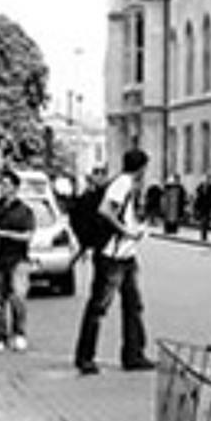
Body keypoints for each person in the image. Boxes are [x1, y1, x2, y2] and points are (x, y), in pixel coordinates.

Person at [73, 148, 155, 375]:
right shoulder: (122, 183)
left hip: (126, 255)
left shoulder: (127, 184)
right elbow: (105, 210)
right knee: (99, 307)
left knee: (133, 305)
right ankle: (85, 357)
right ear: (141, 168)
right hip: (112, 256)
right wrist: (126, 231)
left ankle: (133, 354)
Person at [0, 168, 36, 352]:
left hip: (18, 259)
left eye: (6, 185)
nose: (2, 188)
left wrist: (4, 234)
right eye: (1, 184)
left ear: (15, 188)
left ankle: (19, 333)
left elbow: (28, 236)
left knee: (18, 296)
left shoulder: (24, 211)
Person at [193, 174, 211, 242]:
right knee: (203, 220)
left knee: (206, 221)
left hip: (208, 206)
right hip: (201, 206)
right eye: (208, 179)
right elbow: (198, 193)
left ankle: (204, 235)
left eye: (210, 179)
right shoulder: (201, 186)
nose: (209, 181)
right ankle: (203, 235)